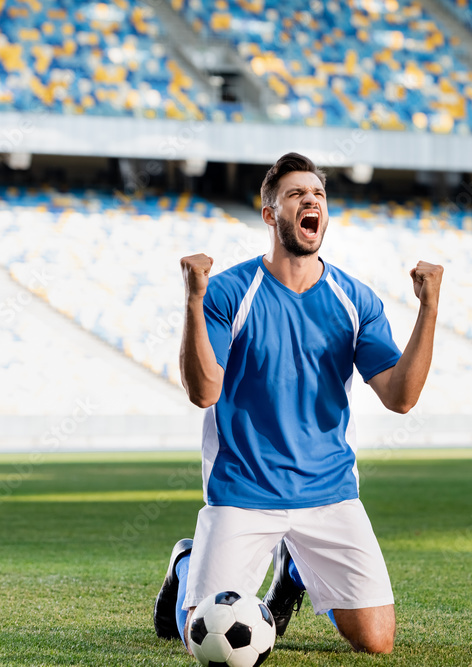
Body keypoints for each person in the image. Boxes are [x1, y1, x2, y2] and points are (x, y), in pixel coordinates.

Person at [152, 152, 442, 655]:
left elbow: (400, 397)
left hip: (329, 493)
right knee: (202, 638)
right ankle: (186, 562)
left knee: (377, 643)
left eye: (319, 195)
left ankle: (293, 566)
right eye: (296, 194)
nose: (311, 200)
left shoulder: (356, 299)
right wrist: (193, 301)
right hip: (243, 492)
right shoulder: (228, 292)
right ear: (270, 214)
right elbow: (204, 392)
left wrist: (429, 310)